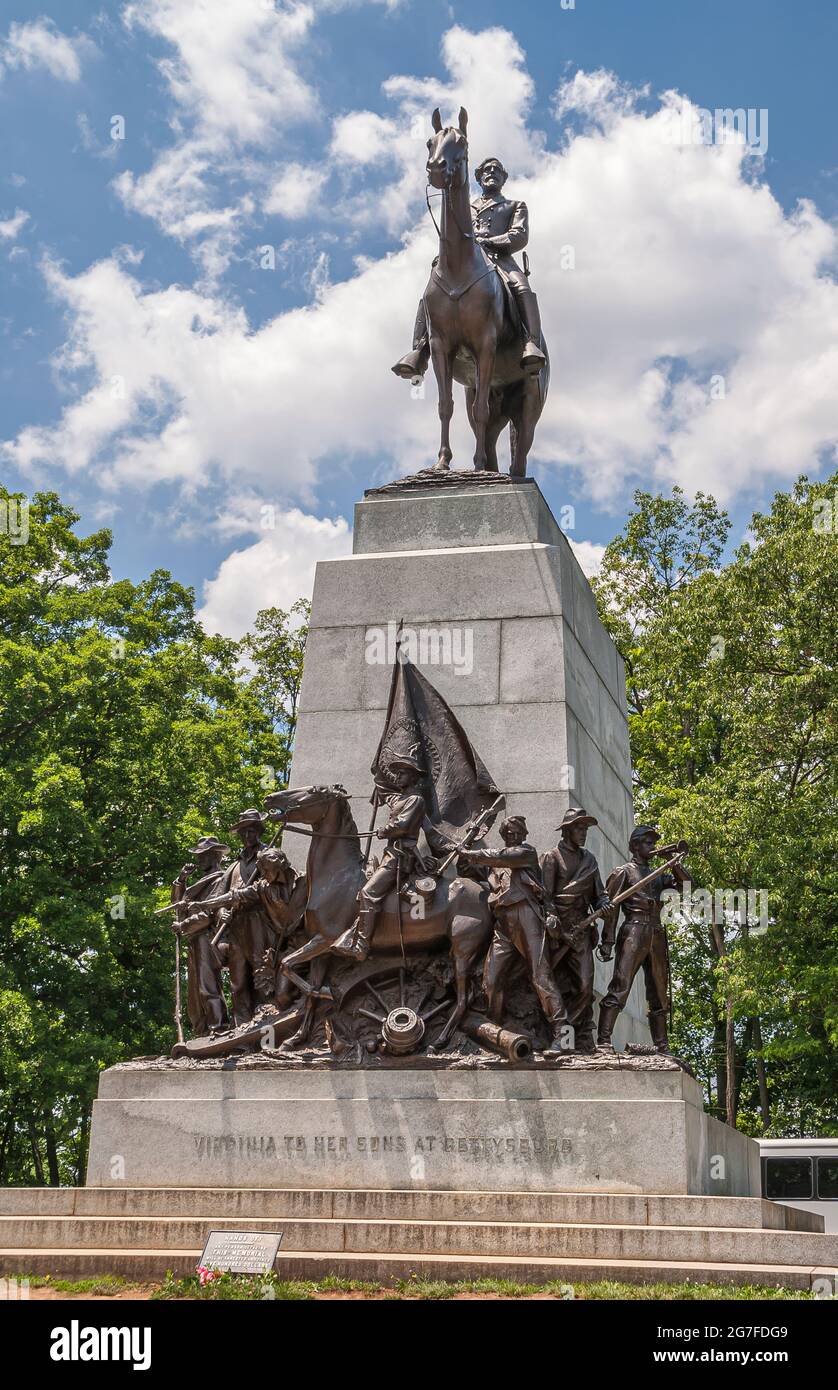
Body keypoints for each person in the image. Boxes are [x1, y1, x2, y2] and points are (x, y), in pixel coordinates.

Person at [392, 155, 546, 381]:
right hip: (467, 260)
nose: (491, 173)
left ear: (503, 178)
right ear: (479, 178)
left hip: (499, 259)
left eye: (496, 170)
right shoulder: (467, 208)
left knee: (521, 286)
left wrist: (490, 241)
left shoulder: (515, 205)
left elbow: (519, 236)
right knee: (430, 293)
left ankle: (531, 344)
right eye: (486, 170)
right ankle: (419, 351)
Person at [459, 814, 572, 1057]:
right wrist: (465, 844)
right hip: (503, 923)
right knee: (491, 979)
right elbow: (466, 869)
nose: (512, 835)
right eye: (507, 832)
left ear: (524, 834)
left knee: (541, 977)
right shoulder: (495, 865)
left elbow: (501, 857)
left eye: (516, 831)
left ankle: (563, 1036)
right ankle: (495, 1032)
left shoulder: (526, 853)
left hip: (527, 916)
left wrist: (472, 853)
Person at [597, 826, 690, 1054]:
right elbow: (612, 909)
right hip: (634, 931)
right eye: (648, 843)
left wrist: (675, 863)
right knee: (621, 985)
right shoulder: (624, 872)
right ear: (635, 846)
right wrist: (607, 942)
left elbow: (687, 887)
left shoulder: (659, 874)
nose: (653, 847)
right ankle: (604, 1040)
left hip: (656, 932)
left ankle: (662, 1046)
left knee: (659, 993)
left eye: (653, 843)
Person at [331, 752, 426, 963]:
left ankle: (361, 946)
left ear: (413, 777)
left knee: (367, 892)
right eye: (397, 773)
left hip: (401, 856)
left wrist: (384, 830)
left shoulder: (416, 800)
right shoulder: (399, 797)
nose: (397, 776)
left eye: (402, 773)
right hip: (390, 853)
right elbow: (385, 793)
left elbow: (403, 825)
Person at [540, 807, 610, 1055]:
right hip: (558, 932)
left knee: (585, 986)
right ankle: (561, 1037)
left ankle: (572, 1031)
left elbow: (599, 894)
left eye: (586, 829)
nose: (584, 833)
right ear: (568, 830)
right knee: (554, 985)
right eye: (580, 828)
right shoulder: (551, 857)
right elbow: (545, 898)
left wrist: (603, 904)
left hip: (581, 931)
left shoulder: (589, 859)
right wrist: (554, 924)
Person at [169, 836, 230, 1037]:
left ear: (215, 857)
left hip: (207, 936)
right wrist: (181, 880)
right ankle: (201, 1030)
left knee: (208, 984)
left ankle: (218, 1027)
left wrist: (183, 926)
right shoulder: (200, 883)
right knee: (194, 992)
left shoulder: (220, 879)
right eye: (199, 856)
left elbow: (208, 913)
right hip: (195, 938)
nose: (199, 860)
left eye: (203, 856)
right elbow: (177, 906)